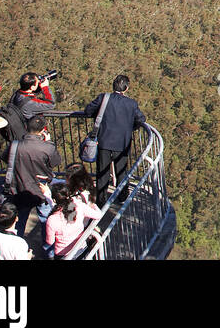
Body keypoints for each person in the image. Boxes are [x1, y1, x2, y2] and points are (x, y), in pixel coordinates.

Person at [83, 75, 146, 205]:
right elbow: (141, 119)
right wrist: (130, 128)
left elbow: (88, 111)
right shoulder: (131, 103)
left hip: (104, 140)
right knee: (121, 170)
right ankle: (122, 196)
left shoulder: (103, 98)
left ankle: (101, 200)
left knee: (102, 171)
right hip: (122, 142)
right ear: (126, 88)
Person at [8, 114, 62, 237]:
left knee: (20, 219)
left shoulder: (15, 145)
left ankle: (17, 244)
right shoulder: (47, 147)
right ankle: (49, 251)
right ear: (43, 130)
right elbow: (56, 162)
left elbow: (8, 159)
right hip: (41, 187)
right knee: (45, 219)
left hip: (20, 185)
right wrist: (48, 141)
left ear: (26, 127)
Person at [45, 180, 102, 259]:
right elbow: (98, 215)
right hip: (81, 249)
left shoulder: (52, 219)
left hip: (63, 254)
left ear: (54, 200)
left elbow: (49, 241)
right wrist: (93, 205)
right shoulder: (78, 206)